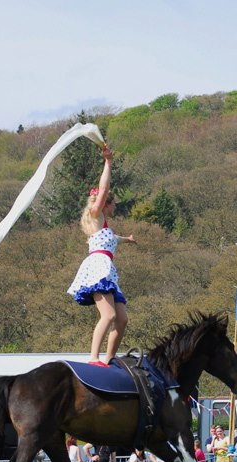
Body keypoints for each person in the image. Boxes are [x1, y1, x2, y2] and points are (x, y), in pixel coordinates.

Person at [66, 144, 136, 367]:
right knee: (108, 316)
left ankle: (110, 358)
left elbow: (116, 239)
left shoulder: (107, 230)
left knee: (122, 319)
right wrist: (108, 162)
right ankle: (94, 358)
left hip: (108, 270)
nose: (115, 207)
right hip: (98, 267)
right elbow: (104, 188)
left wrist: (129, 239)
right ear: (105, 204)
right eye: (113, 204)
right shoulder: (96, 217)